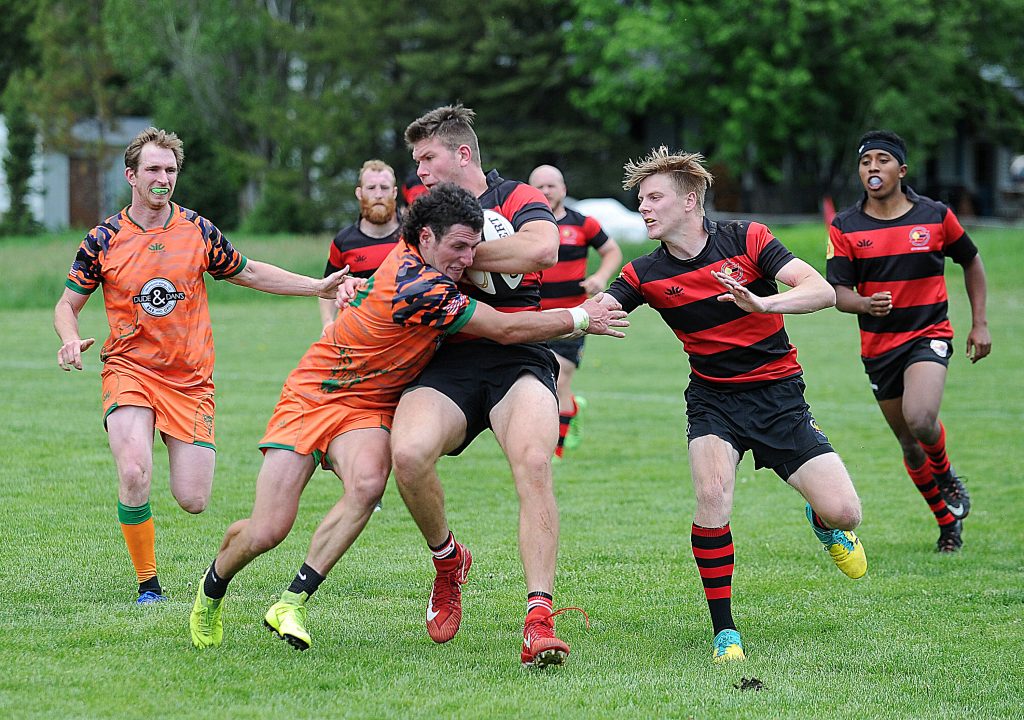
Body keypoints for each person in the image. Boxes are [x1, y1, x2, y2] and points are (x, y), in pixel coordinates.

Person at [188, 183, 627, 651]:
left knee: (369, 482)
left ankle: (292, 602)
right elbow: (503, 328)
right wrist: (580, 318)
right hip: (316, 393)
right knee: (267, 529)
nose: (470, 259)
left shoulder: (419, 256)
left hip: (372, 405)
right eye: (458, 247)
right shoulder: (421, 286)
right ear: (424, 238)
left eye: (473, 246)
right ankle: (211, 590)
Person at [54, 127, 347, 605]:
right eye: (153, 169)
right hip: (129, 369)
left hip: (189, 380)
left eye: (170, 170)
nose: (163, 178)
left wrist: (317, 287)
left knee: (194, 500)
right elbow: (67, 305)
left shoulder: (197, 230)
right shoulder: (104, 238)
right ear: (131, 175)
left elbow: (249, 271)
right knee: (133, 471)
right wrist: (69, 340)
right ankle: (149, 586)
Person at [601, 146, 867, 663]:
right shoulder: (644, 273)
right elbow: (600, 308)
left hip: (779, 397)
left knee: (846, 511)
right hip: (713, 401)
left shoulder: (748, 239)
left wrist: (765, 302)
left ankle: (821, 518)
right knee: (712, 495)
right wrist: (557, 319)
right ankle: (725, 631)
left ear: (691, 198)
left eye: (655, 197)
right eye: (641, 200)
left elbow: (821, 291)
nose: (645, 209)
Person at [394, 104, 585, 669]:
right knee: (407, 455)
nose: (421, 172)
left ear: (462, 153)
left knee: (534, 462)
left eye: (427, 158)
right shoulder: (422, 208)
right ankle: (449, 560)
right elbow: (410, 264)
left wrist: (456, 253)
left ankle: (538, 617)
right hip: (448, 356)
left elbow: (541, 250)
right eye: (416, 162)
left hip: (519, 353)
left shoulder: (517, 196)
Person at [826, 130, 990, 552]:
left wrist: (980, 323)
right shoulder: (845, 225)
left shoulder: (934, 215)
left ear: (901, 169)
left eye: (882, 160)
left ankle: (947, 474)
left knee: (921, 419)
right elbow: (838, 294)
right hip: (879, 349)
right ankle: (947, 522)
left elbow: (971, 260)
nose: (873, 168)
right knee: (907, 444)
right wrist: (865, 303)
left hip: (928, 335)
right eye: (865, 162)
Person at [529, 164, 623, 458]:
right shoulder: (523, 226)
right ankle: (570, 411)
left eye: (551, 185)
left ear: (564, 189)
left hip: (577, 315)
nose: (545, 191)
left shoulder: (583, 223)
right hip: (533, 316)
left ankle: (554, 451)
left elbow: (612, 251)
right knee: (541, 382)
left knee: (559, 377)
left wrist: (600, 277)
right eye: (539, 186)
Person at [318, 159, 402, 330]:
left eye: (384, 188)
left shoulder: (414, 235)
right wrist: (327, 323)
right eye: (371, 188)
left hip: (406, 334)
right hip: (359, 334)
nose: (378, 194)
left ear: (394, 192)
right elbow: (327, 286)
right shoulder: (343, 241)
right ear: (359, 193)